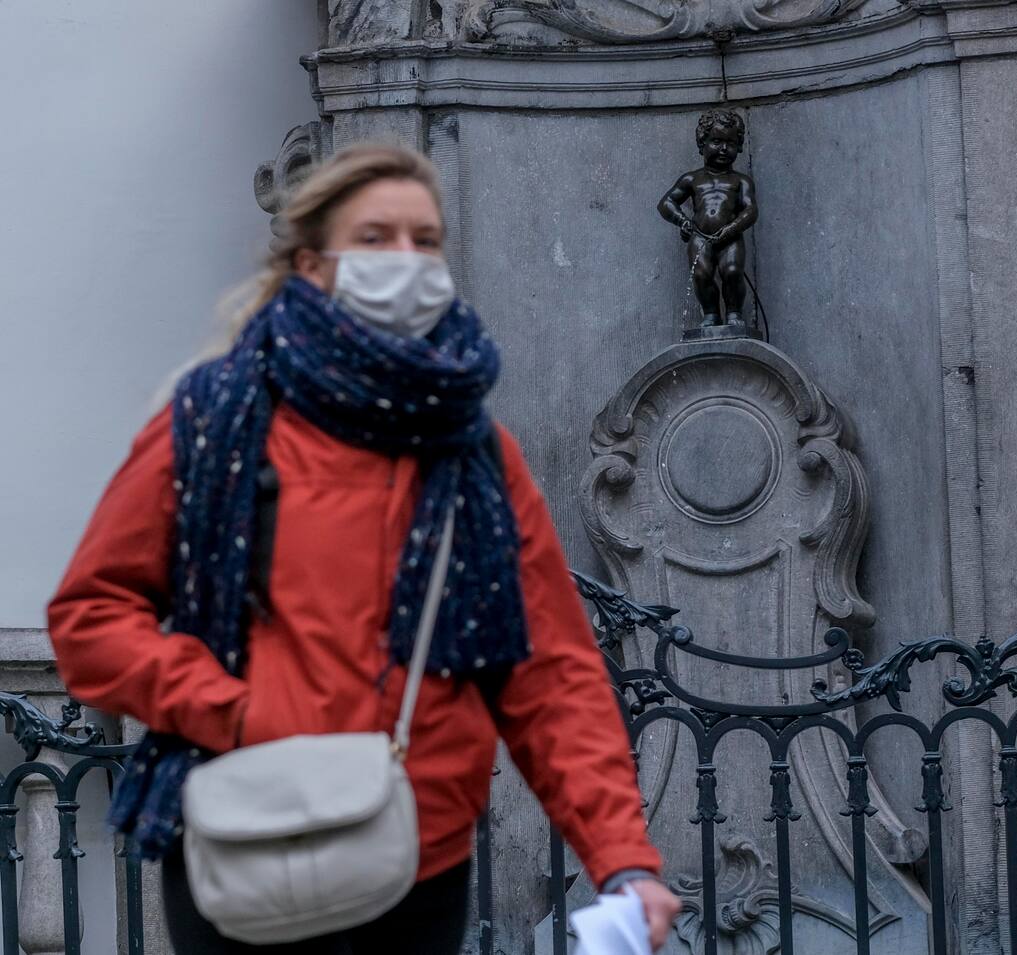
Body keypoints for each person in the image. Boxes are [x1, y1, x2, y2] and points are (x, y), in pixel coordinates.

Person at [47, 143, 680, 953]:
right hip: (247, 836)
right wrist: (235, 708)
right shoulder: (212, 421)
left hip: (417, 859)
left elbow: (549, 672)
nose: (408, 260)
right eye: (377, 238)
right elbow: (90, 618)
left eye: (427, 239)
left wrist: (622, 859)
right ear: (312, 266)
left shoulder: (472, 449)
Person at [657, 108, 758, 327]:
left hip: (730, 237)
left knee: (732, 271)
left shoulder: (741, 181)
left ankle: (734, 313)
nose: (723, 149)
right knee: (701, 275)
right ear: (702, 143)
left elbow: (751, 211)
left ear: (739, 146)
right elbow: (665, 203)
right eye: (716, 141)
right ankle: (711, 313)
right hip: (700, 236)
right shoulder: (692, 179)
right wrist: (682, 221)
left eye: (730, 143)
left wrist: (731, 228)